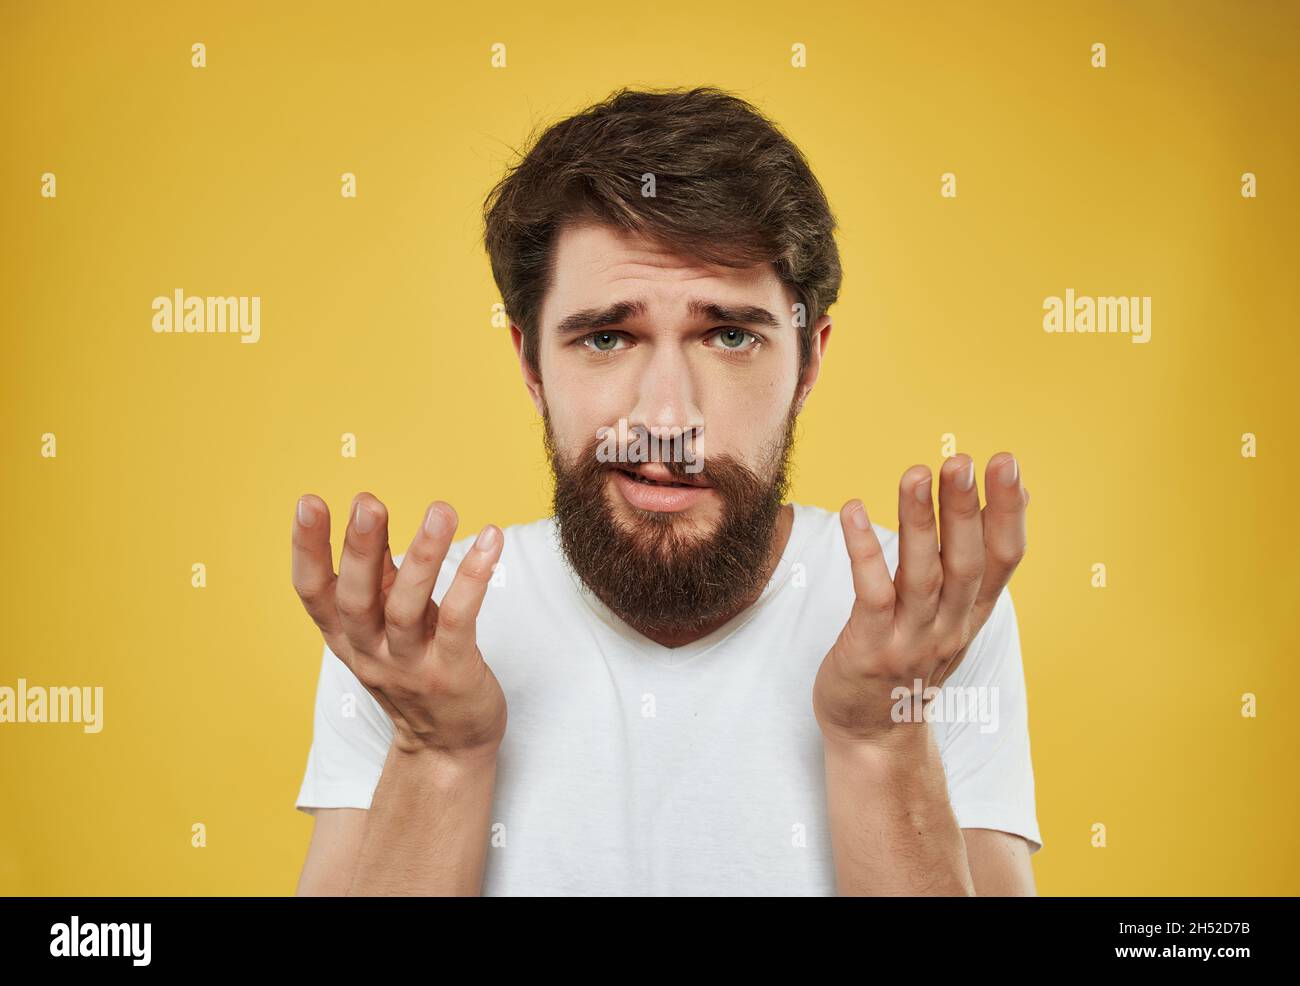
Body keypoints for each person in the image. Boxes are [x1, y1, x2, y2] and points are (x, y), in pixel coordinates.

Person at [290, 86, 1039, 896]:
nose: (668, 420)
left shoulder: (920, 617)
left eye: (729, 336)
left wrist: (881, 745)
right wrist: (433, 752)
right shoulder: (415, 629)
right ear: (531, 363)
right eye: (607, 337)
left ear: (808, 360)